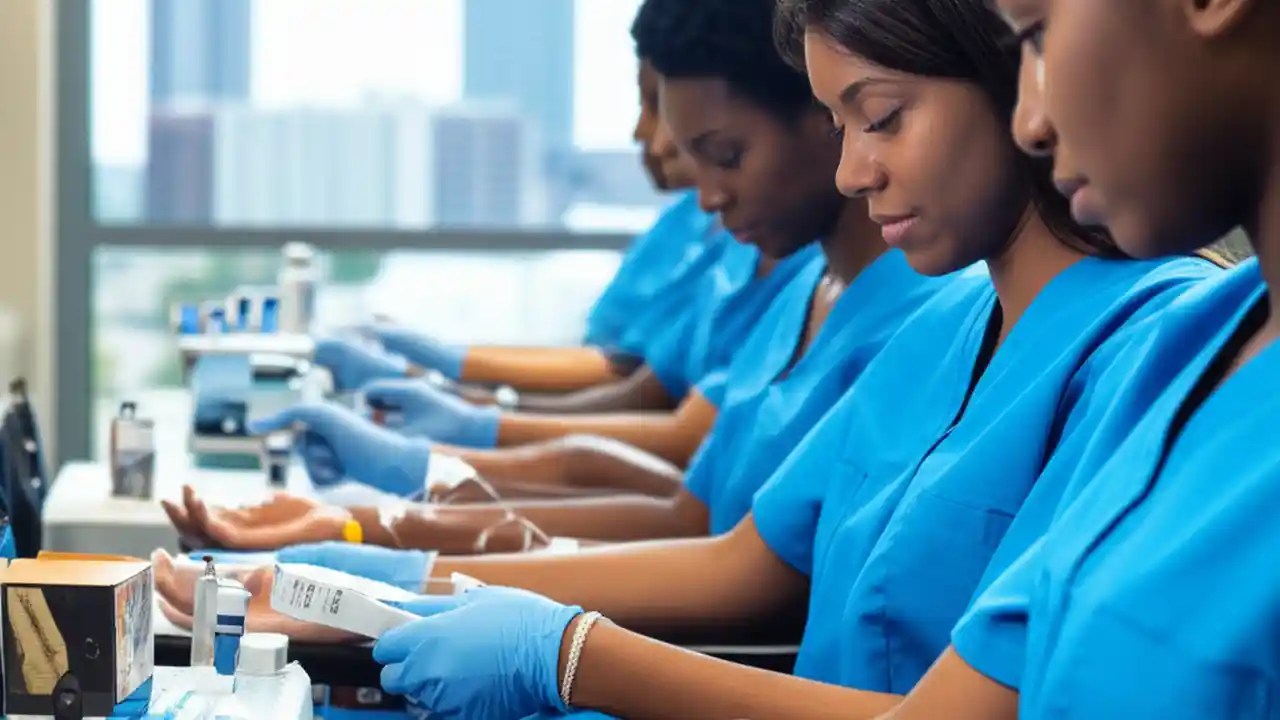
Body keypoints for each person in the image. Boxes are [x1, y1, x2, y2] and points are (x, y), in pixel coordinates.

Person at [152, 0, 1222, 717]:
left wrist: (561, 650)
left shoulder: (1147, 348)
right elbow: (736, 556)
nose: (854, 172)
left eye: (880, 119)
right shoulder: (942, 327)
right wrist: (382, 574)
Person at [160, 0, 956, 554]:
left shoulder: (915, 318)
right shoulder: (804, 293)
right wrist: (398, 502)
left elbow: (714, 531)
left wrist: (413, 501)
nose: (701, 190)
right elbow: (682, 503)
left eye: (724, 154)